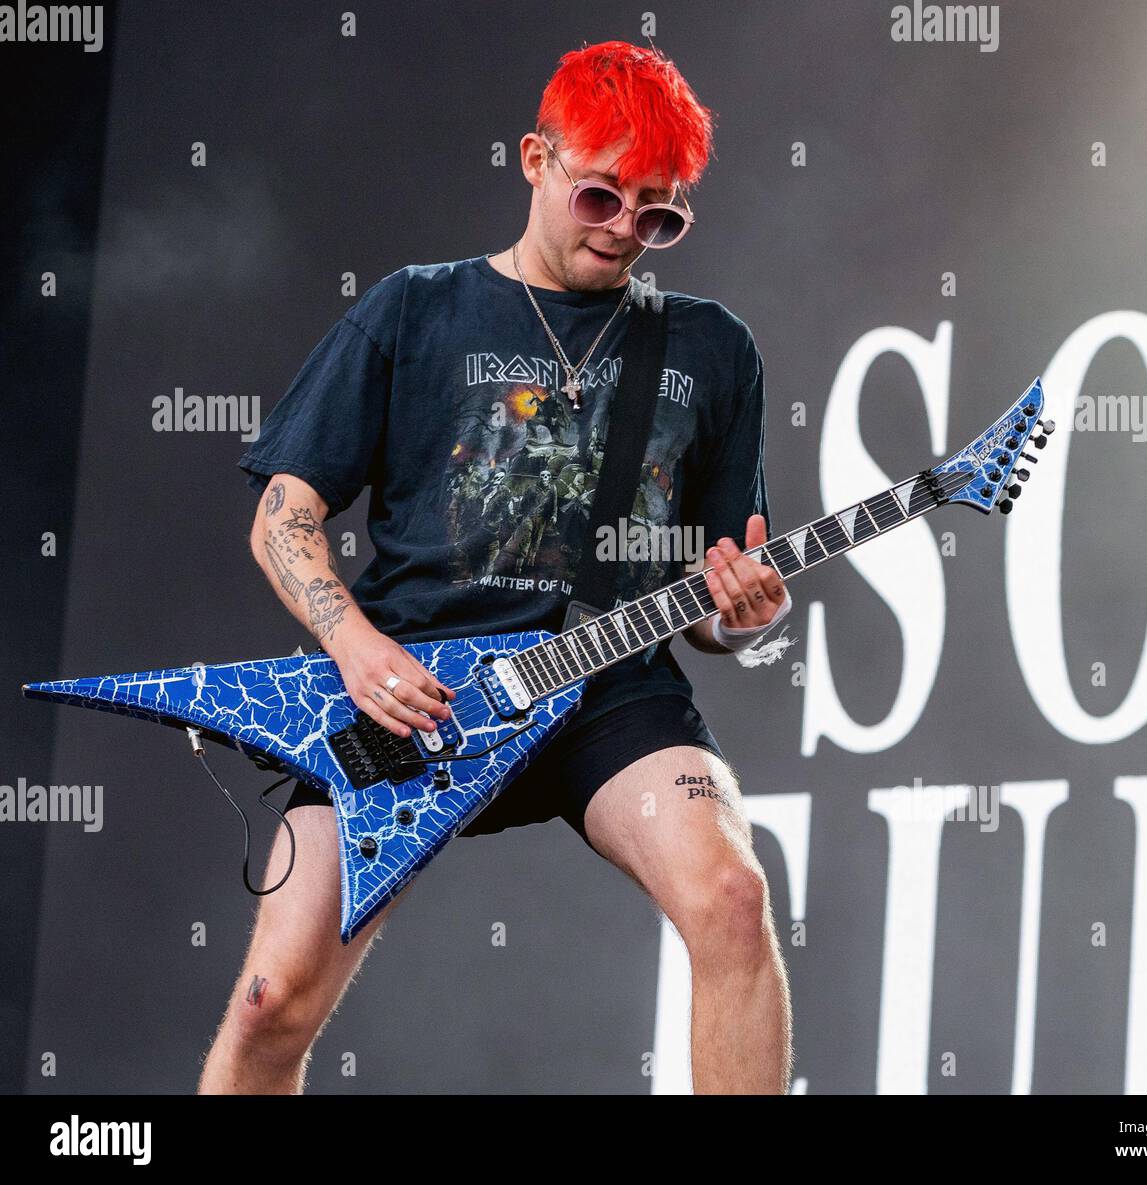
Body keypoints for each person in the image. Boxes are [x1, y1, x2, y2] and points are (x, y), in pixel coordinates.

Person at [200, 40, 793, 1095]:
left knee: (731, 898)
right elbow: (283, 517)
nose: (624, 234)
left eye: (658, 216)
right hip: (407, 688)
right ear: (535, 158)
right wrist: (351, 642)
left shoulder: (711, 348)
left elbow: (713, 601)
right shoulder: (411, 309)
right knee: (268, 1005)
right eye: (603, 196)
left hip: (605, 682)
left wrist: (743, 612)